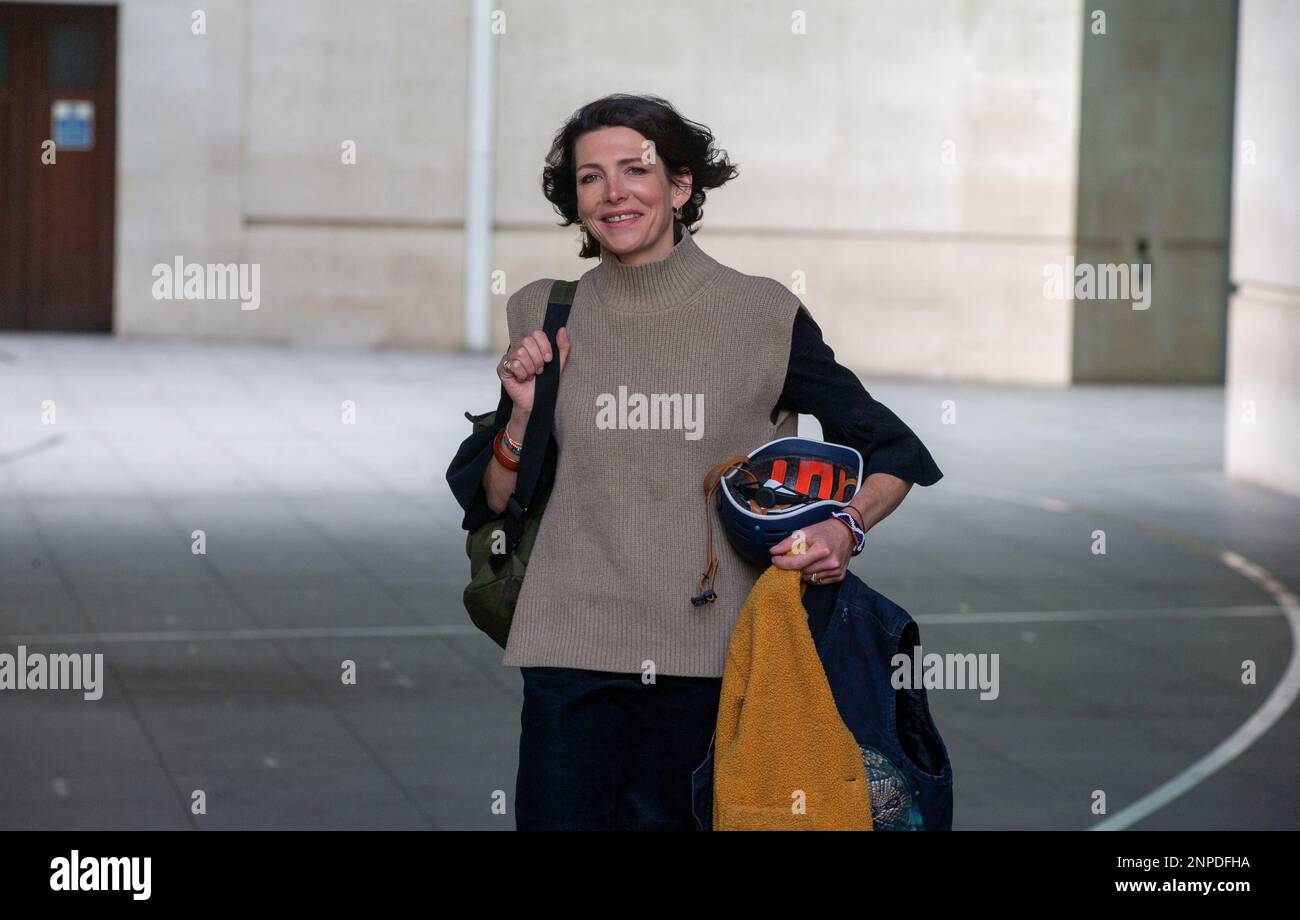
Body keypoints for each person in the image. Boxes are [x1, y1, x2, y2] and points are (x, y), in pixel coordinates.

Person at [451, 93, 943, 830]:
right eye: (591, 177)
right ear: (575, 199)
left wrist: (846, 527)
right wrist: (521, 412)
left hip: (717, 661)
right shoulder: (545, 313)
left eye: (635, 169)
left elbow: (894, 448)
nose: (613, 193)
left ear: (681, 186)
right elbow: (493, 498)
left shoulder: (760, 315)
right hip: (571, 652)